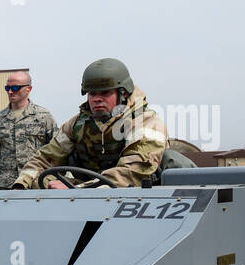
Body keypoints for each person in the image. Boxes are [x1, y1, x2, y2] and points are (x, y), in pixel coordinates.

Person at [13, 58, 168, 189]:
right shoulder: (76, 125)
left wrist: (78, 190)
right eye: (92, 93)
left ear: (123, 93)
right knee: (41, 181)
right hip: (92, 191)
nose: (97, 99)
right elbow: (46, 158)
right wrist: (21, 184)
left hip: (140, 197)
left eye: (105, 93)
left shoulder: (146, 122)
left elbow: (134, 171)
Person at [0, 71, 56, 189]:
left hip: (36, 184)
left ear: (28, 89)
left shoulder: (43, 117)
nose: (10, 92)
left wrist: (56, 179)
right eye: (7, 88)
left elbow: (56, 151)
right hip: (5, 186)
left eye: (15, 88)